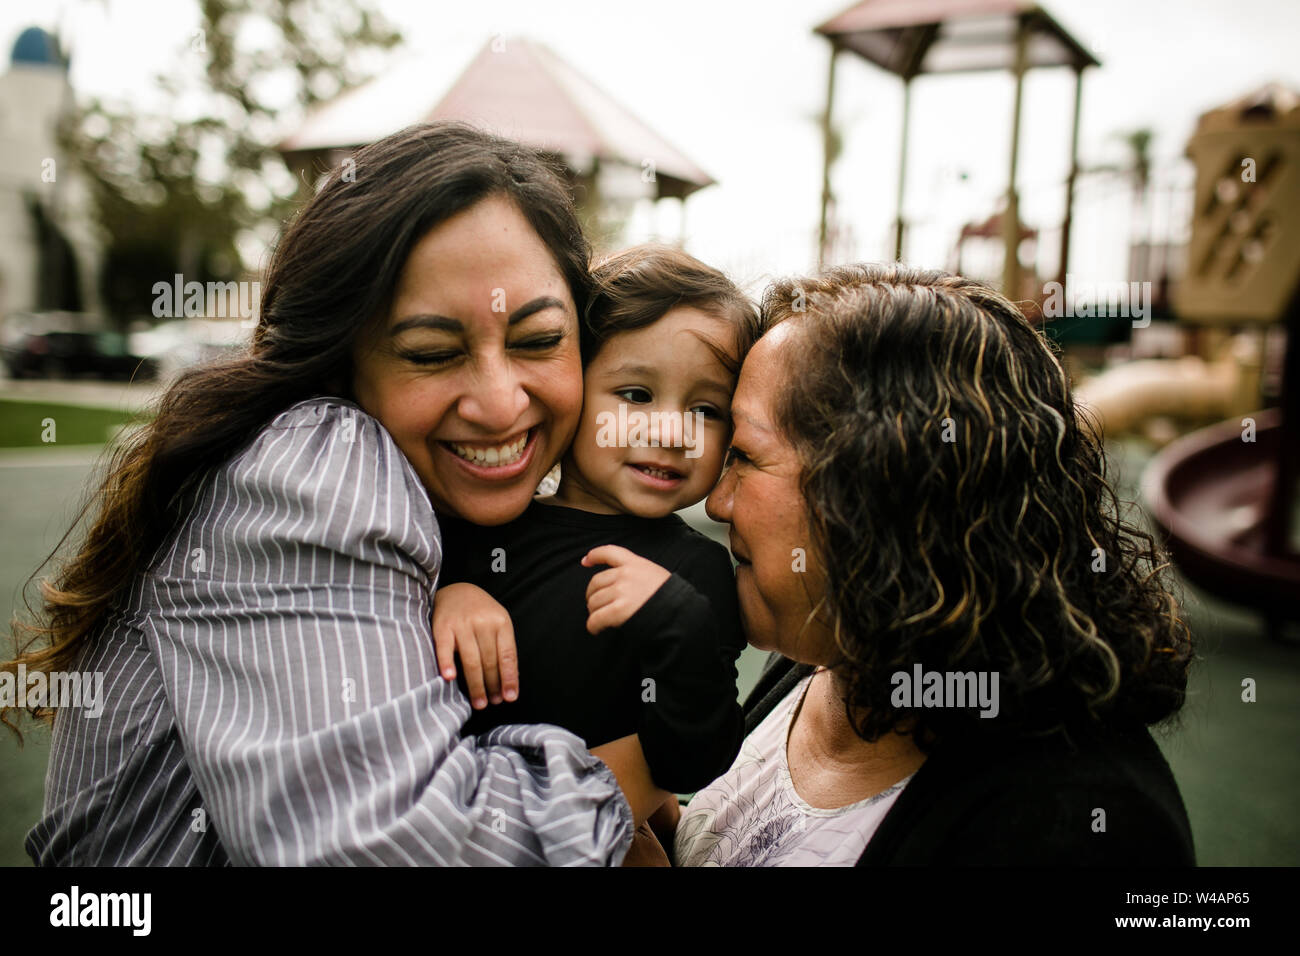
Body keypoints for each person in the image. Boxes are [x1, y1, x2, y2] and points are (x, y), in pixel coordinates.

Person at [4, 123, 647, 866]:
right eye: (431, 354)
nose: (501, 404)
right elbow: (387, 845)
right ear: (338, 362)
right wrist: (635, 772)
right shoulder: (318, 460)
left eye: (538, 340)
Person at [669, 263, 1196, 866]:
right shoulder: (828, 655)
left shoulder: (1075, 823)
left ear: (878, 490)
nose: (717, 499)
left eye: (744, 454)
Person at [432, 245, 758, 802]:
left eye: (707, 410)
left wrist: (678, 622)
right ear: (573, 387)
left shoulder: (695, 573)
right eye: (635, 395)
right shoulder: (486, 520)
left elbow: (692, 763)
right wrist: (451, 593)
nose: (672, 433)